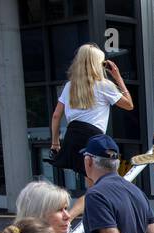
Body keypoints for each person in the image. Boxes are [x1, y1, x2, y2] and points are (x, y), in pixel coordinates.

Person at [49, 44, 133, 217]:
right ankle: (70, 218)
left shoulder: (69, 86)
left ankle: (90, 219)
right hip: (93, 138)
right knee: (102, 184)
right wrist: (118, 77)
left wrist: (55, 142)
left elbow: (56, 116)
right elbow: (129, 105)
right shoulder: (104, 85)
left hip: (72, 136)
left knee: (93, 185)